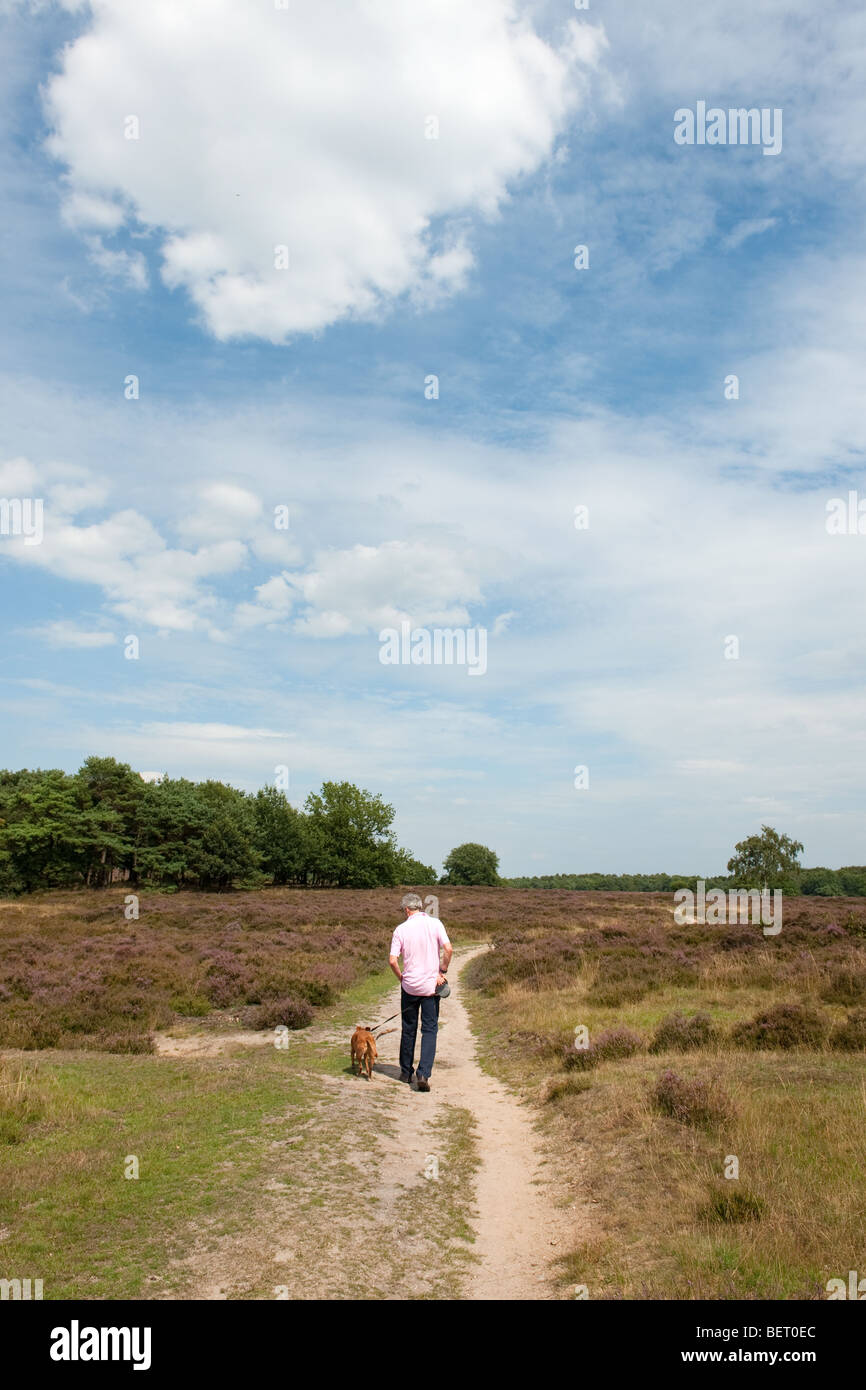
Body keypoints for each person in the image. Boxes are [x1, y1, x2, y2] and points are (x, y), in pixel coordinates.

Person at [388, 892, 452, 1092]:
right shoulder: (435, 924)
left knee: (409, 1028)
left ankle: (406, 1072)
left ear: (407, 909)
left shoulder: (401, 929)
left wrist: (402, 978)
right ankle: (423, 1073)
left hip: (410, 987)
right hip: (430, 987)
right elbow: (448, 949)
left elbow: (392, 960)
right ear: (419, 907)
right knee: (430, 1029)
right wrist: (442, 971)